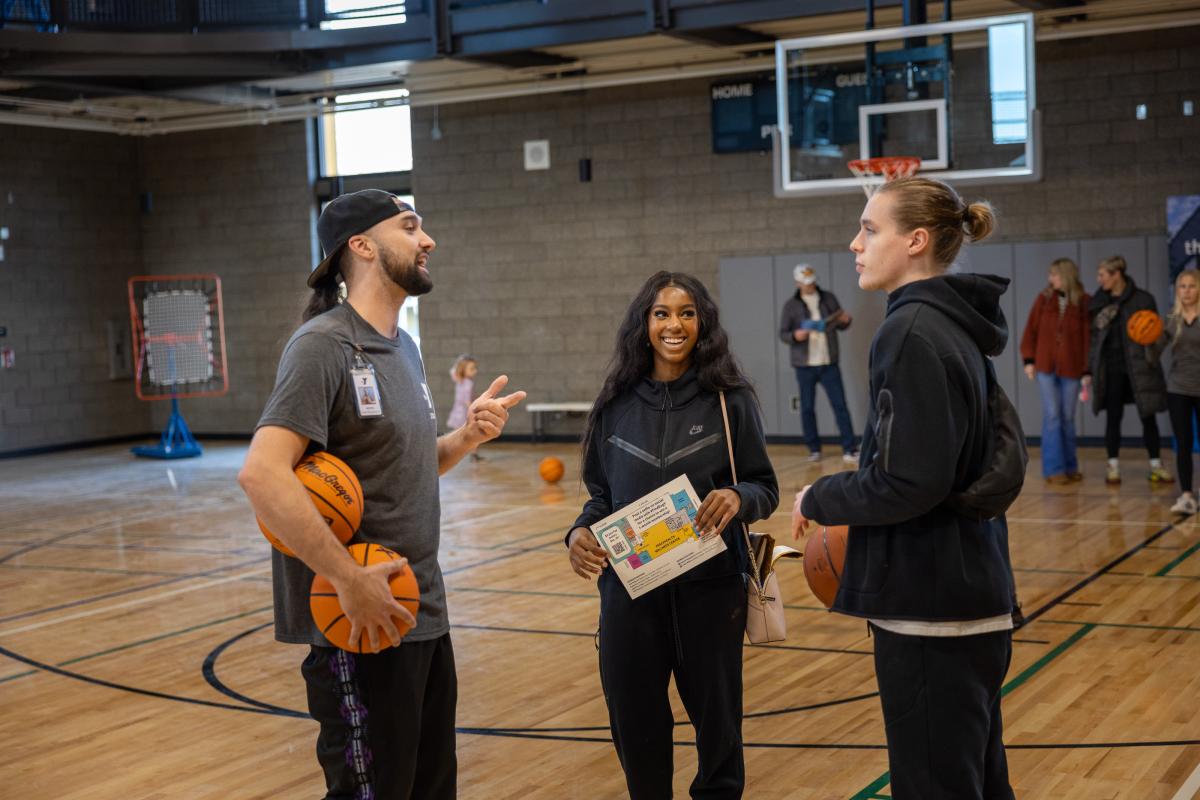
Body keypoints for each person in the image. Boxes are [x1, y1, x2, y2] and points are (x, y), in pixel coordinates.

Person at [237, 189, 525, 800]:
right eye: (411, 227)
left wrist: (468, 436)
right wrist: (346, 576)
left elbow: (408, 466)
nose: (428, 241)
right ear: (362, 246)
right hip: (358, 622)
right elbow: (262, 475)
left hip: (420, 611)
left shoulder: (405, 347)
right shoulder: (323, 345)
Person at [791, 177, 1018, 800]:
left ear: (915, 241)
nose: (854, 243)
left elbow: (907, 482)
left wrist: (818, 497)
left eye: (869, 229)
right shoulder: (957, 327)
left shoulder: (912, 330)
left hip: (931, 608)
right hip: (972, 594)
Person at [565, 271, 778, 800]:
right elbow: (600, 496)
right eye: (662, 313)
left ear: (702, 322)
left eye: (686, 312)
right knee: (635, 724)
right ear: (644, 324)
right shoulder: (614, 404)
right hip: (630, 593)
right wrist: (578, 533)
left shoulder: (730, 401)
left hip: (711, 591)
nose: (674, 324)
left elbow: (765, 486)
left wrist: (739, 497)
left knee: (719, 728)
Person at [1088, 255, 1172, 485]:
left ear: (1117, 275)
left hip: (1139, 367)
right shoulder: (1098, 303)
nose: (1099, 279)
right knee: (1113, 418)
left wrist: (1151, 356)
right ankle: (1112, 466)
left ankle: (1156, 466)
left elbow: (1156, 334)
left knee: (1148, 417)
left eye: (1102, 275)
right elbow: (1094, 340)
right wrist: (1090, 370)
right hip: (1112, 369)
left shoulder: (1143, 299)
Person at [1019, 258, 1091, 484]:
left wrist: (1087, 370)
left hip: (1071, 368)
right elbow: (1031, 330)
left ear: (1066, 275)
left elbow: (1088, 339)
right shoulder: (1044, 299)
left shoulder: (1084, 302)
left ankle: (1070, 466)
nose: (1051, 279)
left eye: (1055, 275)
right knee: (1052, 416)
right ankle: (1054, 469)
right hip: (1045, 367)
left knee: (1067, 418)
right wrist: (1029, 360)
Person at [778, 264, 858, 463]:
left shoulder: (829, 298)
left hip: (829, 362)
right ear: (797, 283)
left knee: (840, 405)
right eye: (806, 283)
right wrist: (795, 336)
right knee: (807, 408)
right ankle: (814, 449)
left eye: (812, 281)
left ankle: (850, 449)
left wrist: (846, 320)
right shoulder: (790, 305)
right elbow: (783, 333)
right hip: (804, 366)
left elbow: (841, 324)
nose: (810, 285)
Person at [1151, 269, 1200, 514]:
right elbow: (1154, 353)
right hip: (1179, 387)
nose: (1187, 291)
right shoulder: (1172, 319)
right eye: (1182, 286)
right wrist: (1146, 340)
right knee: (1183, 443)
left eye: (1191, 286)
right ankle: (1187, 496)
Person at [447, 354, 483, 461]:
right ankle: (473, 455)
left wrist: (460, 362)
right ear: (463, 369)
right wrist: (475, 410)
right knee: (474, 434)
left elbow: (452, 371)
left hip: (458, 412)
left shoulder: (459, 380)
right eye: (472, 369)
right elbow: (467, 400)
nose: (475, 371)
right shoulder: (467, 383)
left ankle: (452, 454)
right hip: (464, 412)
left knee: (458, 435)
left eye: (475, 368)